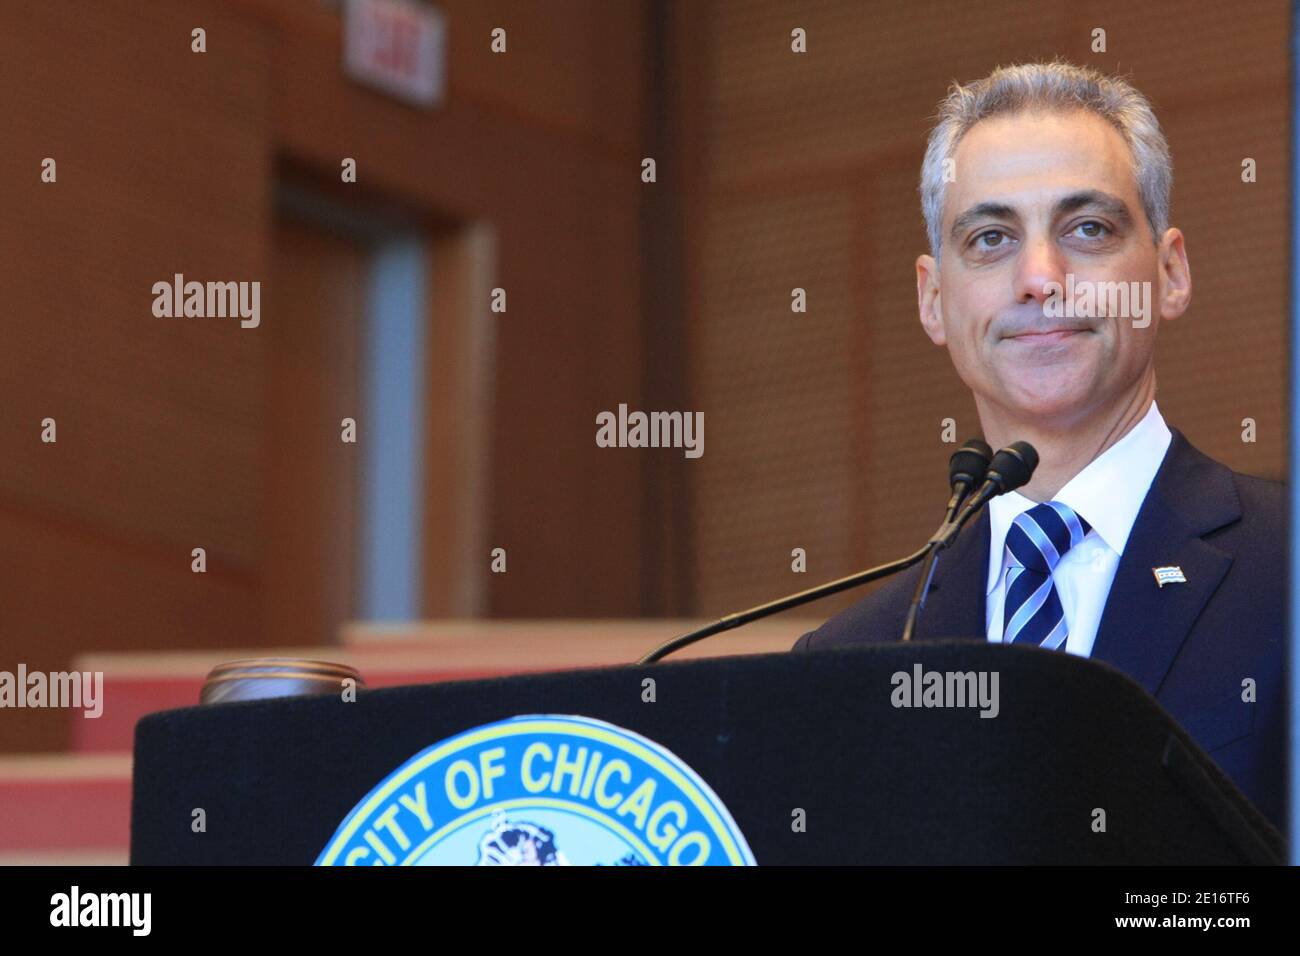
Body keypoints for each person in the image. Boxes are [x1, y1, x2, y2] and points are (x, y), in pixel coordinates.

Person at [791, 61, 1285, 831]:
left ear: (1170, 273)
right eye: (991, 239)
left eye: (1087, 229)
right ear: (933, 299)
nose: (1040, 278)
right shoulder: (852, 660)